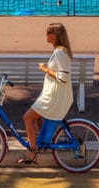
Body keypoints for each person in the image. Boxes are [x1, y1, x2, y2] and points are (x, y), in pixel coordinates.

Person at [20, 22, 73, 166]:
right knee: (37, 118)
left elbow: (63, 77)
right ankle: (40, 143)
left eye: (48, 32)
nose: (46, 35)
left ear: (55, 36)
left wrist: (45, 69)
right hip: (51, 94)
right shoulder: (60, 51)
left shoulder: (60, 52)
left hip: (54, 97)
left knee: (27, 118)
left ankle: (32, 152)